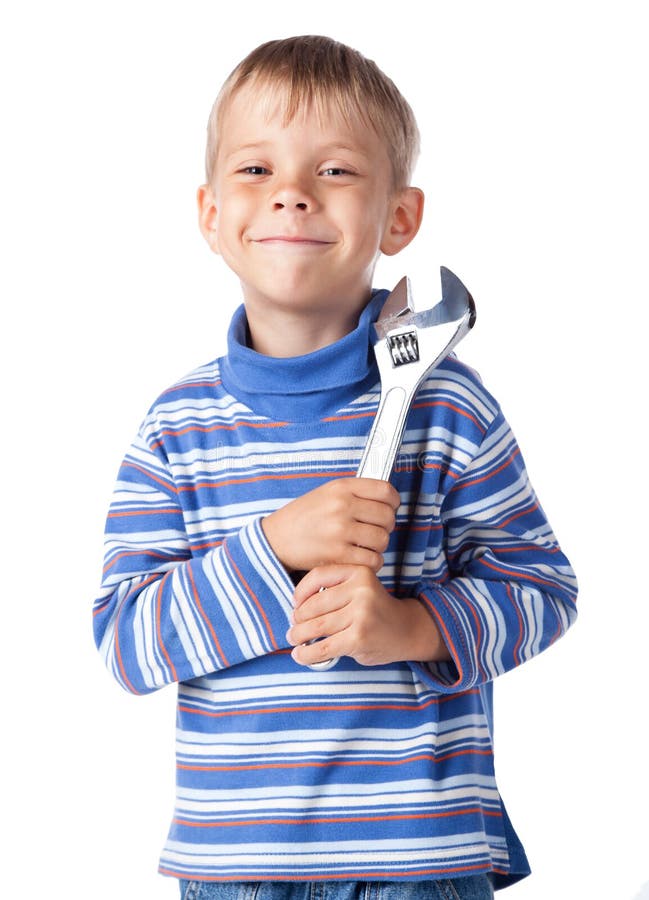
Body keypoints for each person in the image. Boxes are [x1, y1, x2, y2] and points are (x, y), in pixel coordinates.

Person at [93, 35, 577, 900]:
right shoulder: (175, 429)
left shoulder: (446, 406)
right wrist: (273, 547)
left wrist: (413, 628)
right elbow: (127, 645)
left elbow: (542, 590)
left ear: (399, 218)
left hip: (419, 859)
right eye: (255, 169)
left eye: (336, 171)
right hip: (234, 869)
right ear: (211, 215)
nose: (291, 192)